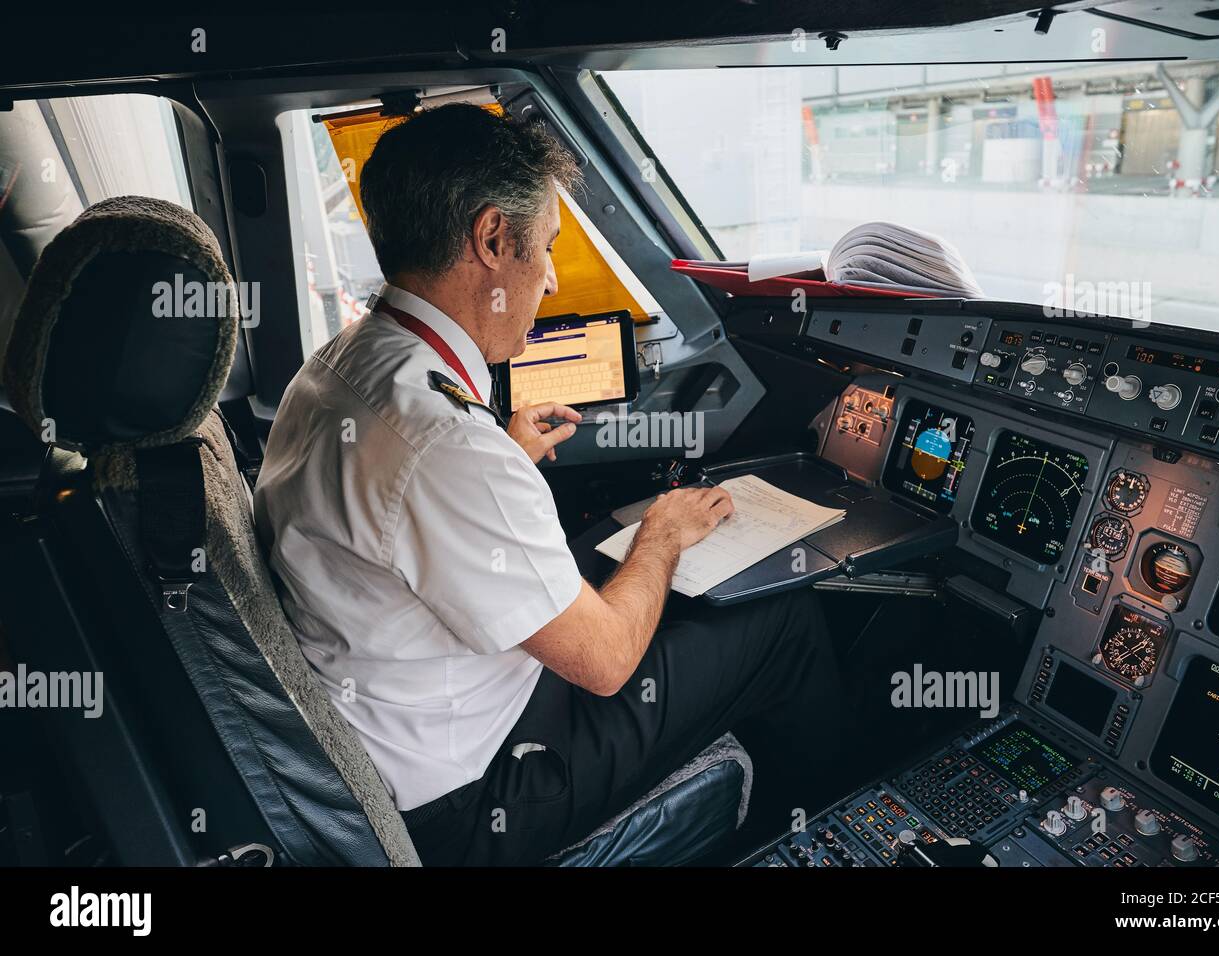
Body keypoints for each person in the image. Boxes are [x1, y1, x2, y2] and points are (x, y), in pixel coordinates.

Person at [254, 102, 851, 865]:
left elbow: (397, 496)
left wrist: (496, 455)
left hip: (397, 728)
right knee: (782, 626)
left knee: (612, 562)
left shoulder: (339, 365)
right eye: (547, 247)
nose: (551, 279)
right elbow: (604, 666)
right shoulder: (444, 444)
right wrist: (663, 534)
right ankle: (826, 833)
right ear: (494, 238)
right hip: (476, 801)